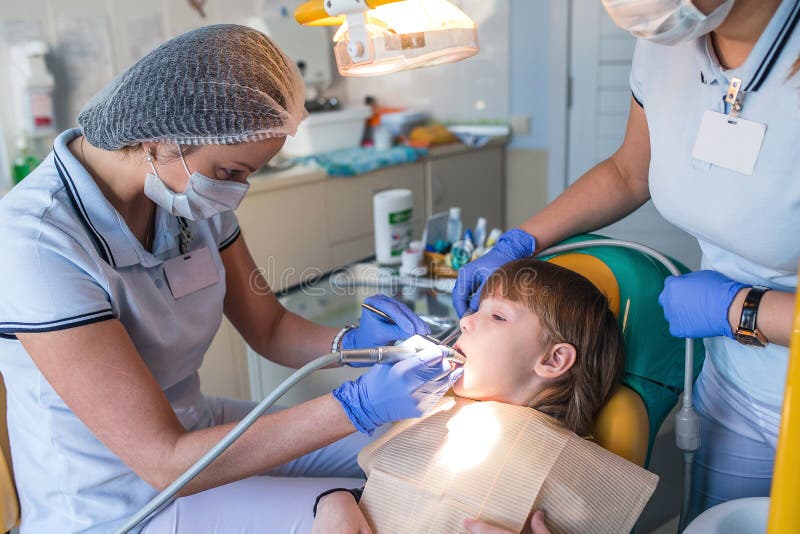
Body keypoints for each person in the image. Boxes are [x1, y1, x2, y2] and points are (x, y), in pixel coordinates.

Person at [0, 25, 455, 533]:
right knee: (373, 509)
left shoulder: (185, 193)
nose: (237, 192)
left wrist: (354, 344)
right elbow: (165, 461)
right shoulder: (36, 243)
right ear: (161, 137)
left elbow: (270, 328)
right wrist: (358, 405)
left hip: (198, 428)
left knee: (412, 450)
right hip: (117, 501)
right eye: (231, 172)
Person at [453, 0, 799, 520]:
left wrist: (744, 310)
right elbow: (628, 172)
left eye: (498, 317)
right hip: (735, 380)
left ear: (556, 360)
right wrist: (521, 240)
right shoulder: (666, 40)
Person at [313, 258, 626, 534]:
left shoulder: (565, 474)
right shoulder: (445, 418)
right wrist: (337, 500)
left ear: (553, 360)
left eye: (498, 316)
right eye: (477, 309)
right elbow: (391, 498)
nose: (465, 321)